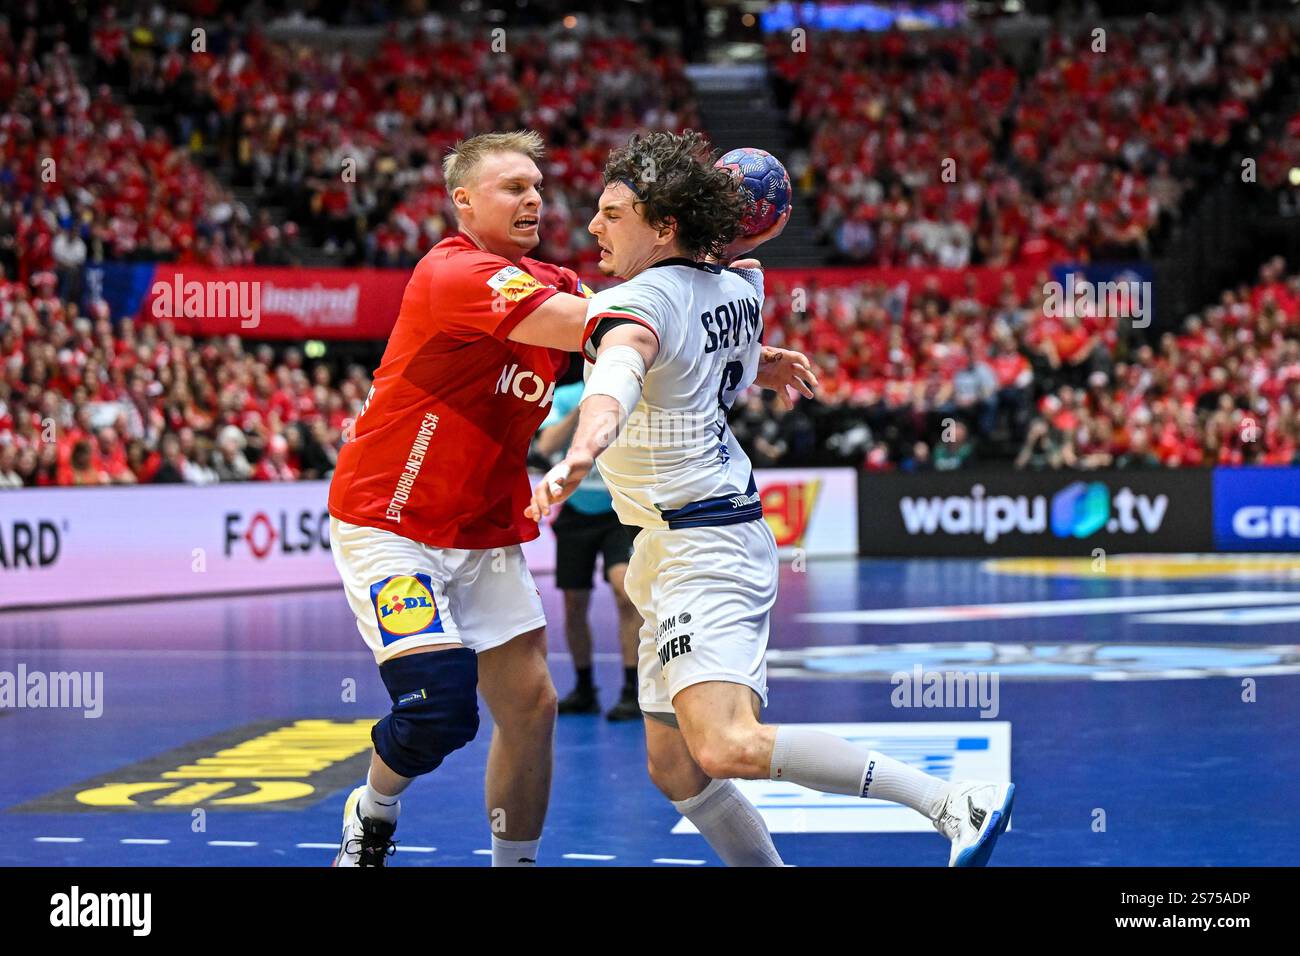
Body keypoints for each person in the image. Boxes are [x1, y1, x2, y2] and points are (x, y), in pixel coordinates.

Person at [528, 131, 1015, 867]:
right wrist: (761, 361)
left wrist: (581, 451)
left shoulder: (636, 302)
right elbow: (701, 341)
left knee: (727, 744)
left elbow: (619, 377)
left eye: (612, 213)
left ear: (664, 227)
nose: (593, 225)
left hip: (706, 544)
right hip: (670, 540)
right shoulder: (739, 284)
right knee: (674, 765)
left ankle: (952, 801)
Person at [325, 130, 599, 867]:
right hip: (391, 520)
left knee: (533, 708)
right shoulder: (452, 272)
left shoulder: (554, 280)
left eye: (537, 186)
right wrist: (688, 302)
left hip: (483, 529)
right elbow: (595, 325)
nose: (533, 199)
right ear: (464, 201)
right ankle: (372, 811)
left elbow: (628, 337)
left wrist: (744, 353)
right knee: (438, 708)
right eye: (513, 187)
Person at [534, 380, 642, 720]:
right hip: (576, 511)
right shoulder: (566, 397)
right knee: (574, 602)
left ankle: (632, 689)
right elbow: (546, 446)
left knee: (625, 591)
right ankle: (584, 689)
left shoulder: (628, 389)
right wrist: (584, 410)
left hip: (619, 511)